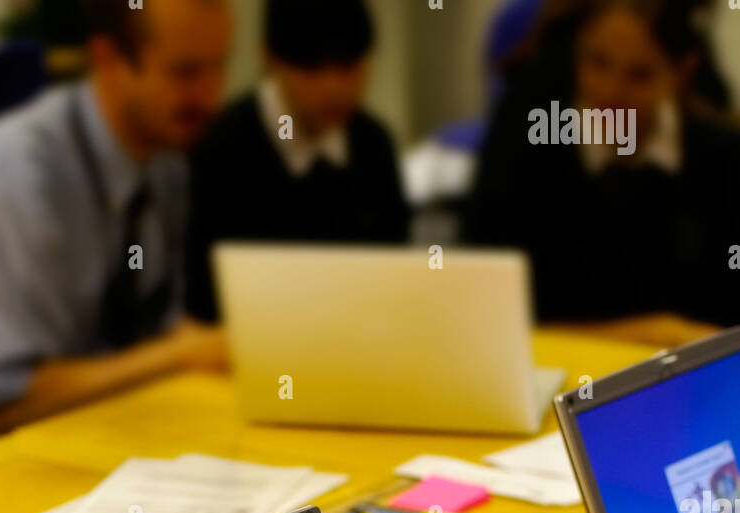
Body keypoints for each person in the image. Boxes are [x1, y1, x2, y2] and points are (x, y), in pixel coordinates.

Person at [0, 0, 232, 478]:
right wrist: (179, 355)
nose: (211, 97)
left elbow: (150, 334)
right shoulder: (10, 175)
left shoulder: (164, 162)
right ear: (108, 59)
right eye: (185, 73)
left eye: (218, 68)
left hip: (76, 445)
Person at [464, 0, 740, 348]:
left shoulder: (721, 159)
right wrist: (645, 332)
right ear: (575, 55)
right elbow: (483, 301)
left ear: (680, 74)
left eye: (640, 75)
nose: (611, 94)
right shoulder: (526, 133)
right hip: (553, 366)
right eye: (597, 64)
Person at [186, 0, 409, 323]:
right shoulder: (221, 149)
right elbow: (204, 302)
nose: (333, 88)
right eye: (311, 69)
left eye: (349, 67)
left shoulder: (373, 145)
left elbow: (396, 280)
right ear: (270, 59)